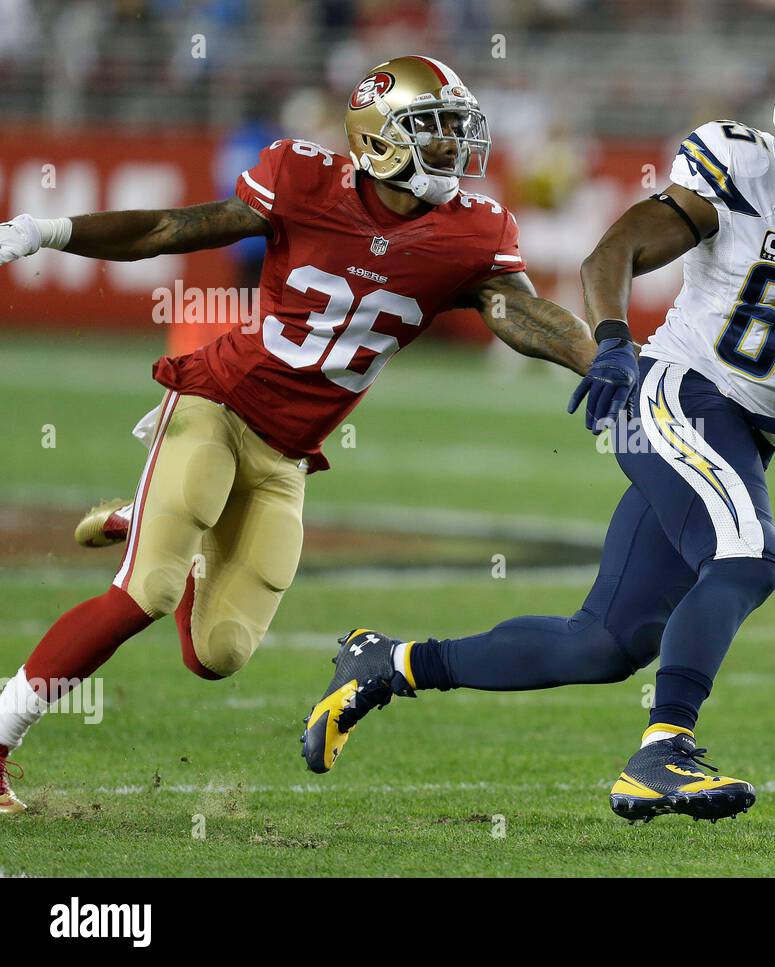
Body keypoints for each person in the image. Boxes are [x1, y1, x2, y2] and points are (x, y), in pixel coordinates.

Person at [303, 48, 775, 824]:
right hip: (676, 394)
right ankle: (663, 752)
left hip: (747, 433)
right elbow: (611, 251)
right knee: (749, 555)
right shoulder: (747, 173)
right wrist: (612, 338)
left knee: (605, 643)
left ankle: (386, 663)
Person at [0, 55, 613, 815]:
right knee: (146, 590)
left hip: (287, 455)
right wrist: (45, 229)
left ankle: (156, 517)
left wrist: (607, 361)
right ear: (381, 140)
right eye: (435, 131)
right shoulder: (302, 179)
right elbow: (170, 226)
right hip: (217, 404)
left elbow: (518, 311)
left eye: (459, 131)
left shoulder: (471, 232)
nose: (456, 149)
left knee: (218, 655)